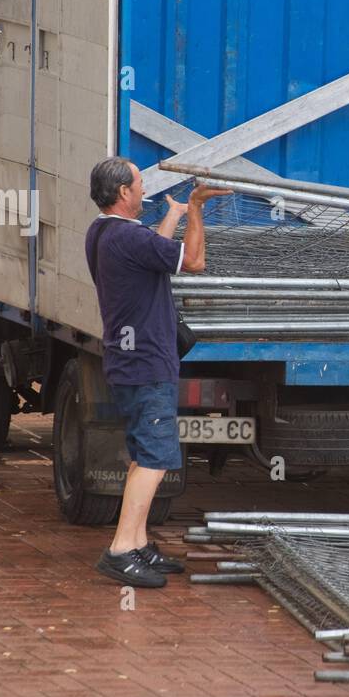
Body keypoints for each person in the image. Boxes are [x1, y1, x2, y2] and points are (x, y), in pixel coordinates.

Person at [84, 156, 229, 587]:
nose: (144, 189)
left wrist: (171, 215)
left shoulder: (103, 233)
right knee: (155, 459)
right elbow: (194, 262)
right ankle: (121, 550)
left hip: (127, 362)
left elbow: (155, 255)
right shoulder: (128, 239)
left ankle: (140, 542)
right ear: (124, 194)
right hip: (147, 364)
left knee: (142, 455)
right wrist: (197, 208)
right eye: (140, 184)